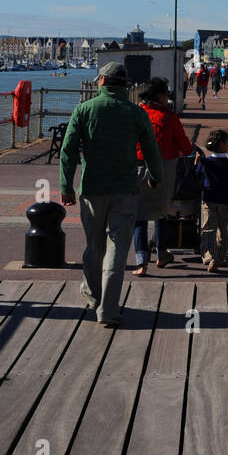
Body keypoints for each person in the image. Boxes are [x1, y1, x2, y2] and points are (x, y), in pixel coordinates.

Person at [60, 62, 163, 326]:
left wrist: (66, 186)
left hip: (92, 189)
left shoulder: (84, 110)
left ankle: (94, 296)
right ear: (124, 85)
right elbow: (151, 149)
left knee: (94, 246)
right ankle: (108, 308)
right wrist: (156, 176)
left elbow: (68, 151)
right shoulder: (136, 113)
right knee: (117, 248)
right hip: (126, 189)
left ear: (103, 82)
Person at [132, 78, 194, 275]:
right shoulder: (168, 117)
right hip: (165, 167)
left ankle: (141, 261)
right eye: (167, 94)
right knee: (161, 213)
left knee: (139, 215)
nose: (168, 98)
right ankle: (161, 253)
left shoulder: (135, 114)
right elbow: (186, 147)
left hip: (136, 166)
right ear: (159, 96)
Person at [198, 128, 228, 272]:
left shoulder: (205, 162)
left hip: (209, 200)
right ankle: (220, 258)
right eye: (227, 142)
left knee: (208, 229)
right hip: (226, 202)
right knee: (223, 230)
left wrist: (197, 163)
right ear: (222, 144)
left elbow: (197, 176)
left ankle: (210, 257)